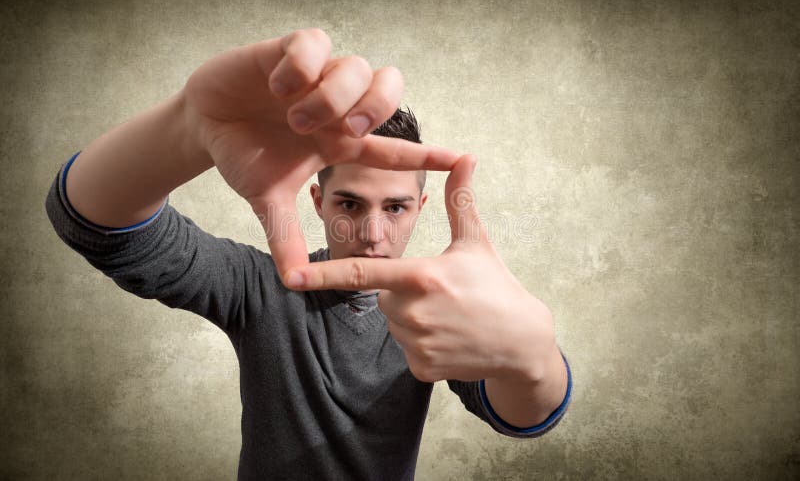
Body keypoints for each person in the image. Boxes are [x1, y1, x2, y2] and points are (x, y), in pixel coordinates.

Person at [44, 28, 572, 480]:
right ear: (317, 201)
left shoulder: (436, 308)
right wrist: (188, 127)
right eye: (350, 203)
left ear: (421, 207)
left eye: (395, 208)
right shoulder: (260, 285)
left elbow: (521, 415)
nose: (371, 233)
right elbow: (99, 226)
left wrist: (531, 359)